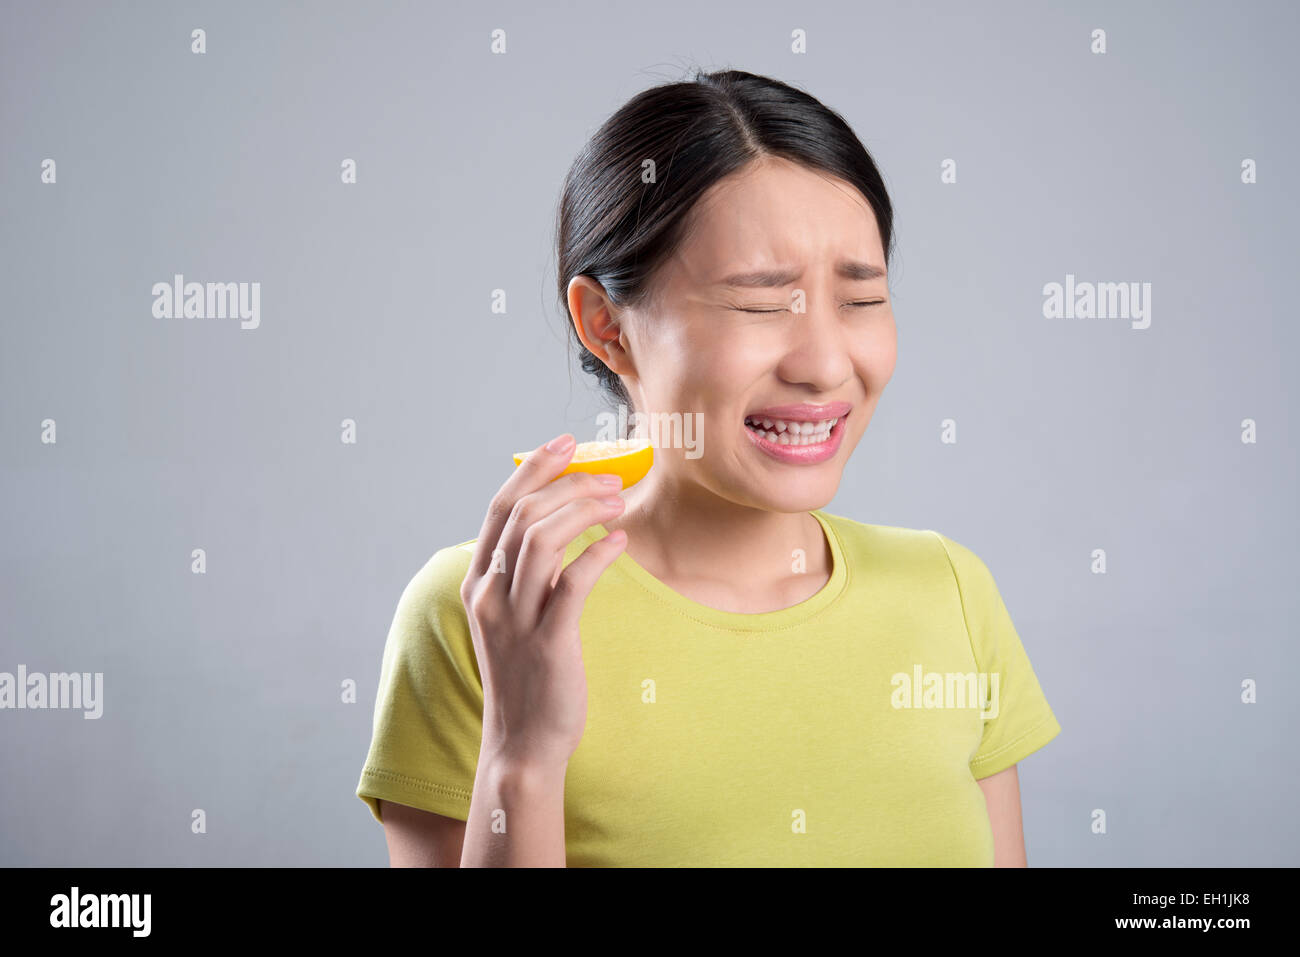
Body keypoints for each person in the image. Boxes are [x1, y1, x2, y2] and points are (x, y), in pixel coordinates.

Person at [356, 68, 1061, 866]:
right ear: (607, 325)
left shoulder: (951, 592)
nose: (827, 364)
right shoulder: (488, 610)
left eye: (861, 299)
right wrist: (522, 754)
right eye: (762, 304)